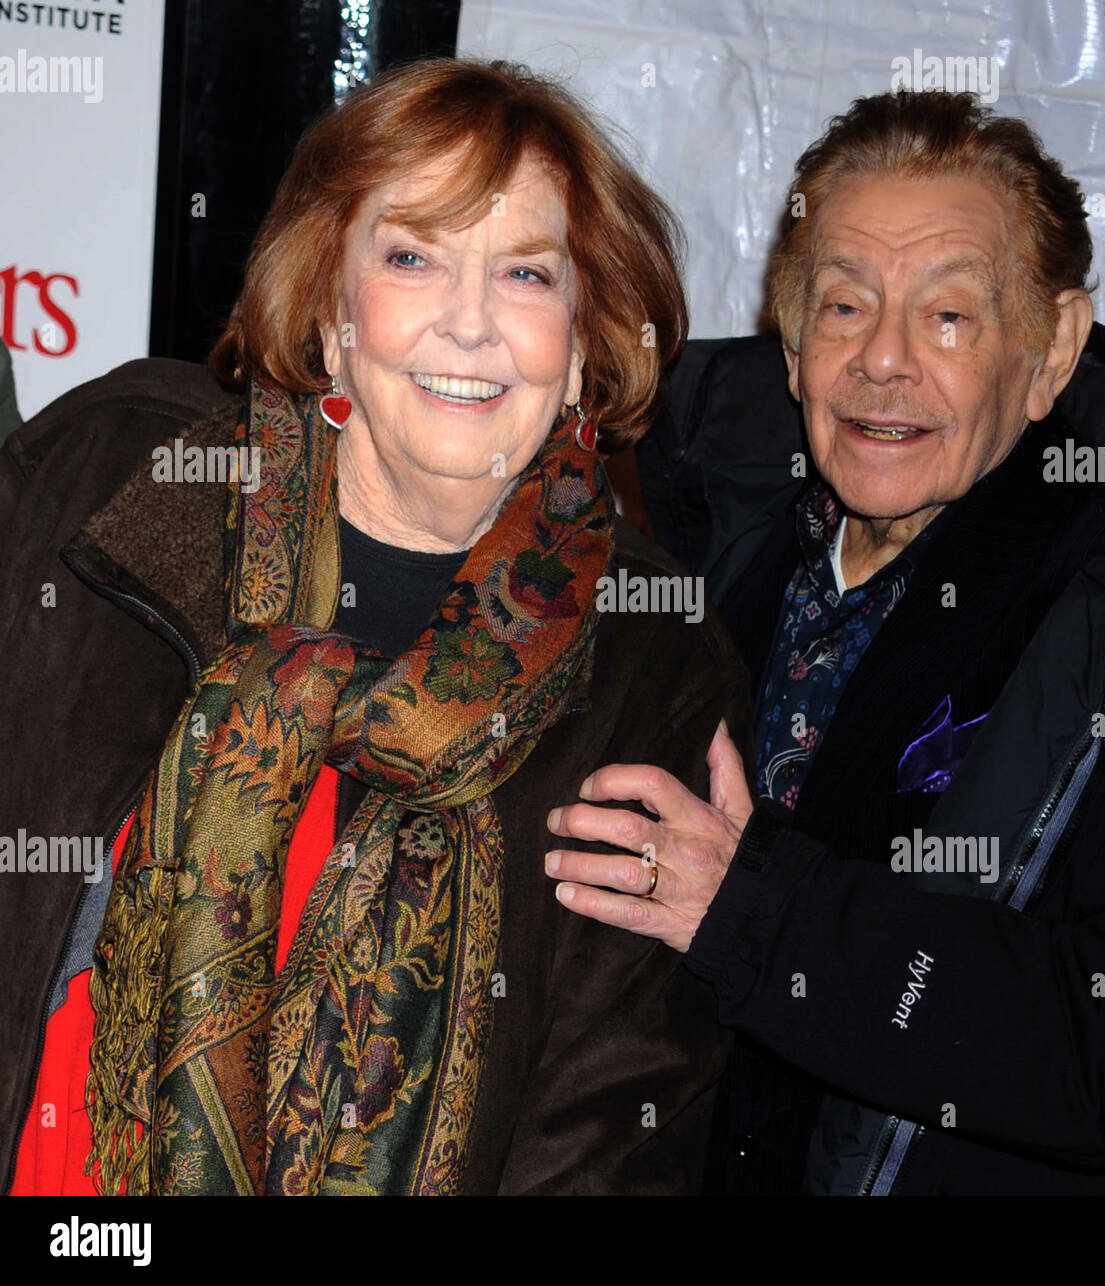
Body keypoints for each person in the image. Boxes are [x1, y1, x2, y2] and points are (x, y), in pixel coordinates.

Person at [0, 58, 749, 1196]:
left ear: (588, 337)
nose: (468, 322)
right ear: (330, 304)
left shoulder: (656, 659)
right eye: (411, 257)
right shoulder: (121, 469)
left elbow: (611, 1129)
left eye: (527, 274)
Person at [545, 90, 1105, 1194]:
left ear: (1053, 351)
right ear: (793, 344)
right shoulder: (701, 527)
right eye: (845, 307)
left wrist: (764, 915)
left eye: (949, 317)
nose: (883, 361)